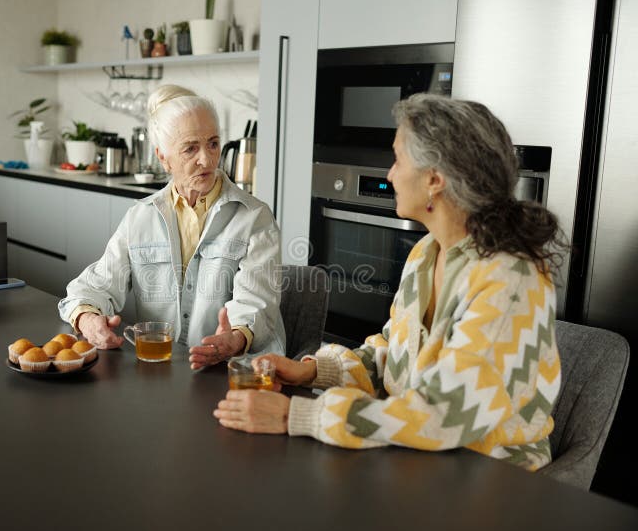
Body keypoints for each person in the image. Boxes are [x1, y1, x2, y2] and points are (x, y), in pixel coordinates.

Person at [214, 93, 566, 471]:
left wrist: (295, 417)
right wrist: (313, 370)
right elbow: (391, 357)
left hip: (491, 483)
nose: (389, 175)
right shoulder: (427, 254)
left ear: (434, 179)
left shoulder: (510, 280)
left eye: (398, 159)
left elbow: (443, 416)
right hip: (416, 459)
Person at [59, 85, 285, 368]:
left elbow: (257, 305)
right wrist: (88, 319)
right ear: (163, 157)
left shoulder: (255, 217)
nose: (207, 159)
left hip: (233, 373)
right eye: (191, 148)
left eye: (213, 143)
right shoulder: (140, 218)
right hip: (162, 370)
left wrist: (237, 337)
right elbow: (94, 287)